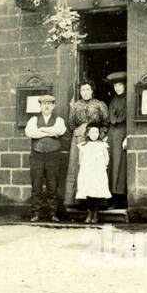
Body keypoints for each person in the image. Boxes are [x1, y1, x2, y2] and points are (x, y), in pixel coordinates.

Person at [64, 82, 110, 210]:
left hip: (96, 136)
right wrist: (81, 131)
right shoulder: (75, 106)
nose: (85, 92)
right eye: (83, 89)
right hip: (79, 137)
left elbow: (106, 121)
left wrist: (100, 135)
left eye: (88, 89)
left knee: (96, 168)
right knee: (78, 166)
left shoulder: (99, 104)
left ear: (92, 91)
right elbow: (71, 123)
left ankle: (98, 202)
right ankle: (77, 201)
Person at [24, 95, 67, 222]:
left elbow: (60, 131)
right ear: (40, 106)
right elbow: (30, 133)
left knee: (52, 184)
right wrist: (50, 132)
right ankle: (36, 213)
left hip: (53, 155)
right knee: (36, 183)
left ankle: (53, 213)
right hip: (37, 155)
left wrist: (41, 129)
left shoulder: (58, 120)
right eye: (44, 104)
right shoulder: (33, 119)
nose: (47, 106)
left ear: (53, 106)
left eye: (49, 103)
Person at [75, 125, 112, 224]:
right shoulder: (83, 146)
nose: (94, 135)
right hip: (87, 171)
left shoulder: (102, 145)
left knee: (96, 192)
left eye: (96, 132)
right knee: (88, 191)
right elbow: (80, 160)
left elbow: (106, 159)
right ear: (87, 134)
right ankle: (89, 213)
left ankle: (96, 213)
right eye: (92, 133)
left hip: (98, 171)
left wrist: (102, 167)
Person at [106, 71, 129, 203]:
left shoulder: (128, 99)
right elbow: (110, 118)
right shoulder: (114, 100)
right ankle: (111, 198)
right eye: (115, 86)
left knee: (120, 166)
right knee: (111, 165)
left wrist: (128, 137)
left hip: (122, 133)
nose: (118, 88)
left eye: (120, 85)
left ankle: (120, 199)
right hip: (112, 134)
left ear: (125, 85)